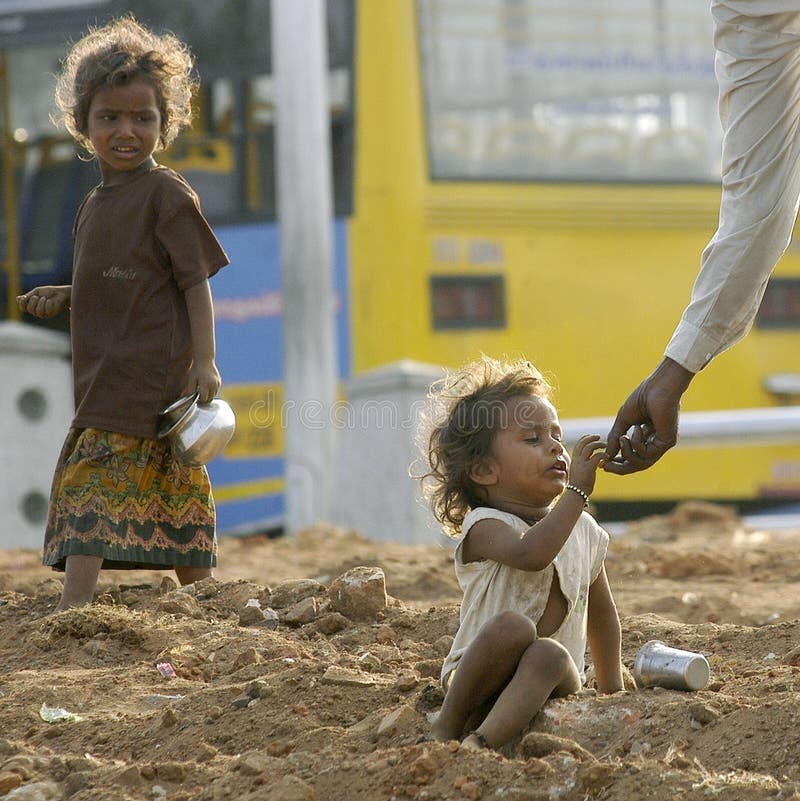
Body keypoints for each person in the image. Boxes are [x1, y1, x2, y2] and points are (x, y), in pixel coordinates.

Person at [16, 16, 230, 611]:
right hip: (104, 374)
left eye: (144, 117)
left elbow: (194, 284)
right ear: (82, 125)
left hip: (149, 378)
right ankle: (207, 603)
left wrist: (206, 362)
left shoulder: (168, 196)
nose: (127, 130)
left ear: (166, 124)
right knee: (169, 487)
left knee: (93, 482)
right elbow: (118, 279)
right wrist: (65, 292)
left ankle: (74, 605)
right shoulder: (93, 204)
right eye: (110, 117)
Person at [605, 3, 800, 474]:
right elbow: (758, 208)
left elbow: (759, 209)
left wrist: (676, 371)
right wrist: (675, 370)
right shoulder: (753, 10)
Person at [419, 356, 624, 751]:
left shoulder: (585, 532)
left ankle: (480, 744)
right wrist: (577, 493)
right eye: (532, 440)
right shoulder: (485, 526)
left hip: (550, 682)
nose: (555, 450)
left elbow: (602, 616)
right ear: (484, 471)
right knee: (513, 627)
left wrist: (612, 691)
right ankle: (447, 726)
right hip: (479, 678)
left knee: (549, 653)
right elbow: (533, 554)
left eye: (556, 437)